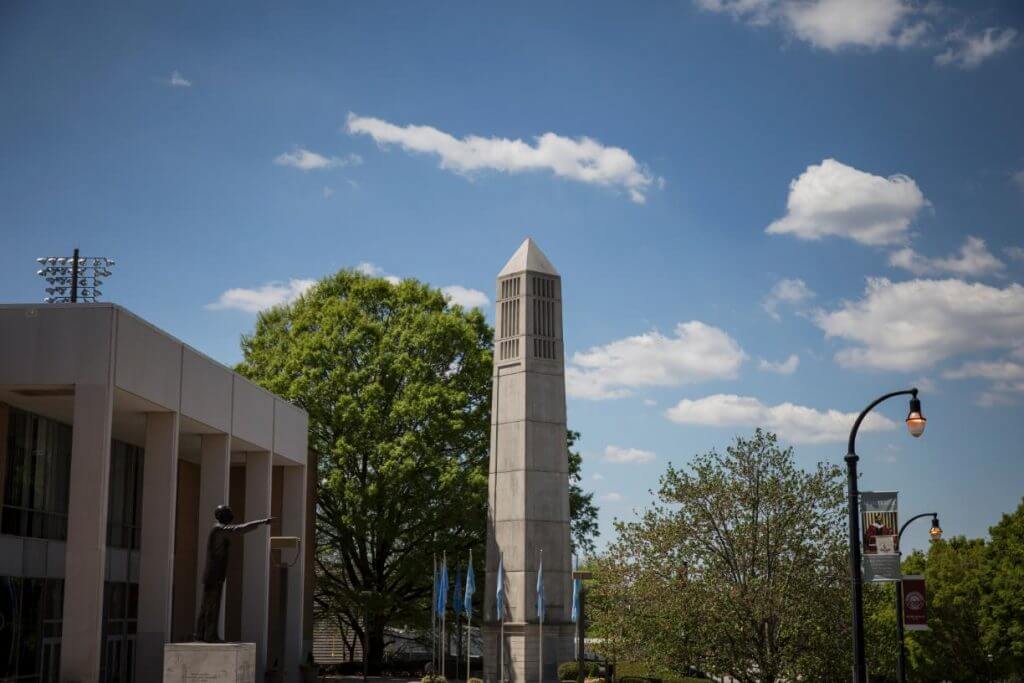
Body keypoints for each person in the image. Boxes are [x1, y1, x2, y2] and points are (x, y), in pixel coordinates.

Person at [194, 505, 273, 642]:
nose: (232, 515)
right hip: (214, 575)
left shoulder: (218, 529)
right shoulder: (219, 529)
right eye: (229, 512)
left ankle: (200, 634)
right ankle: (209, 635)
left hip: (213, 574)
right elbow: (239, 529)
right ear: (223, 515)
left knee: (207, 606)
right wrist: (262, 521)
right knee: (212, 606)